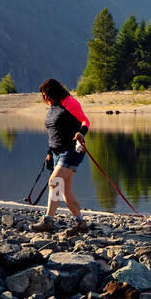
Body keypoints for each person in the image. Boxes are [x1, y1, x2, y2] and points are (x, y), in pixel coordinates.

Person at [32, 78, 90, 233]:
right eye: (43, 96)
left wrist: (80, 133)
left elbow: (85, 121)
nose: (46, 98)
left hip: (71, 151)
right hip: (56, 152)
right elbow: (53, 133)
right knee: (65, 191)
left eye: (47, 94)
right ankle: (80, 223)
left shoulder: (69, 102)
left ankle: (48, 221)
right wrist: (49, 153)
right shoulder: (52, 107)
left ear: (54, 91)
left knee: (54, 182)